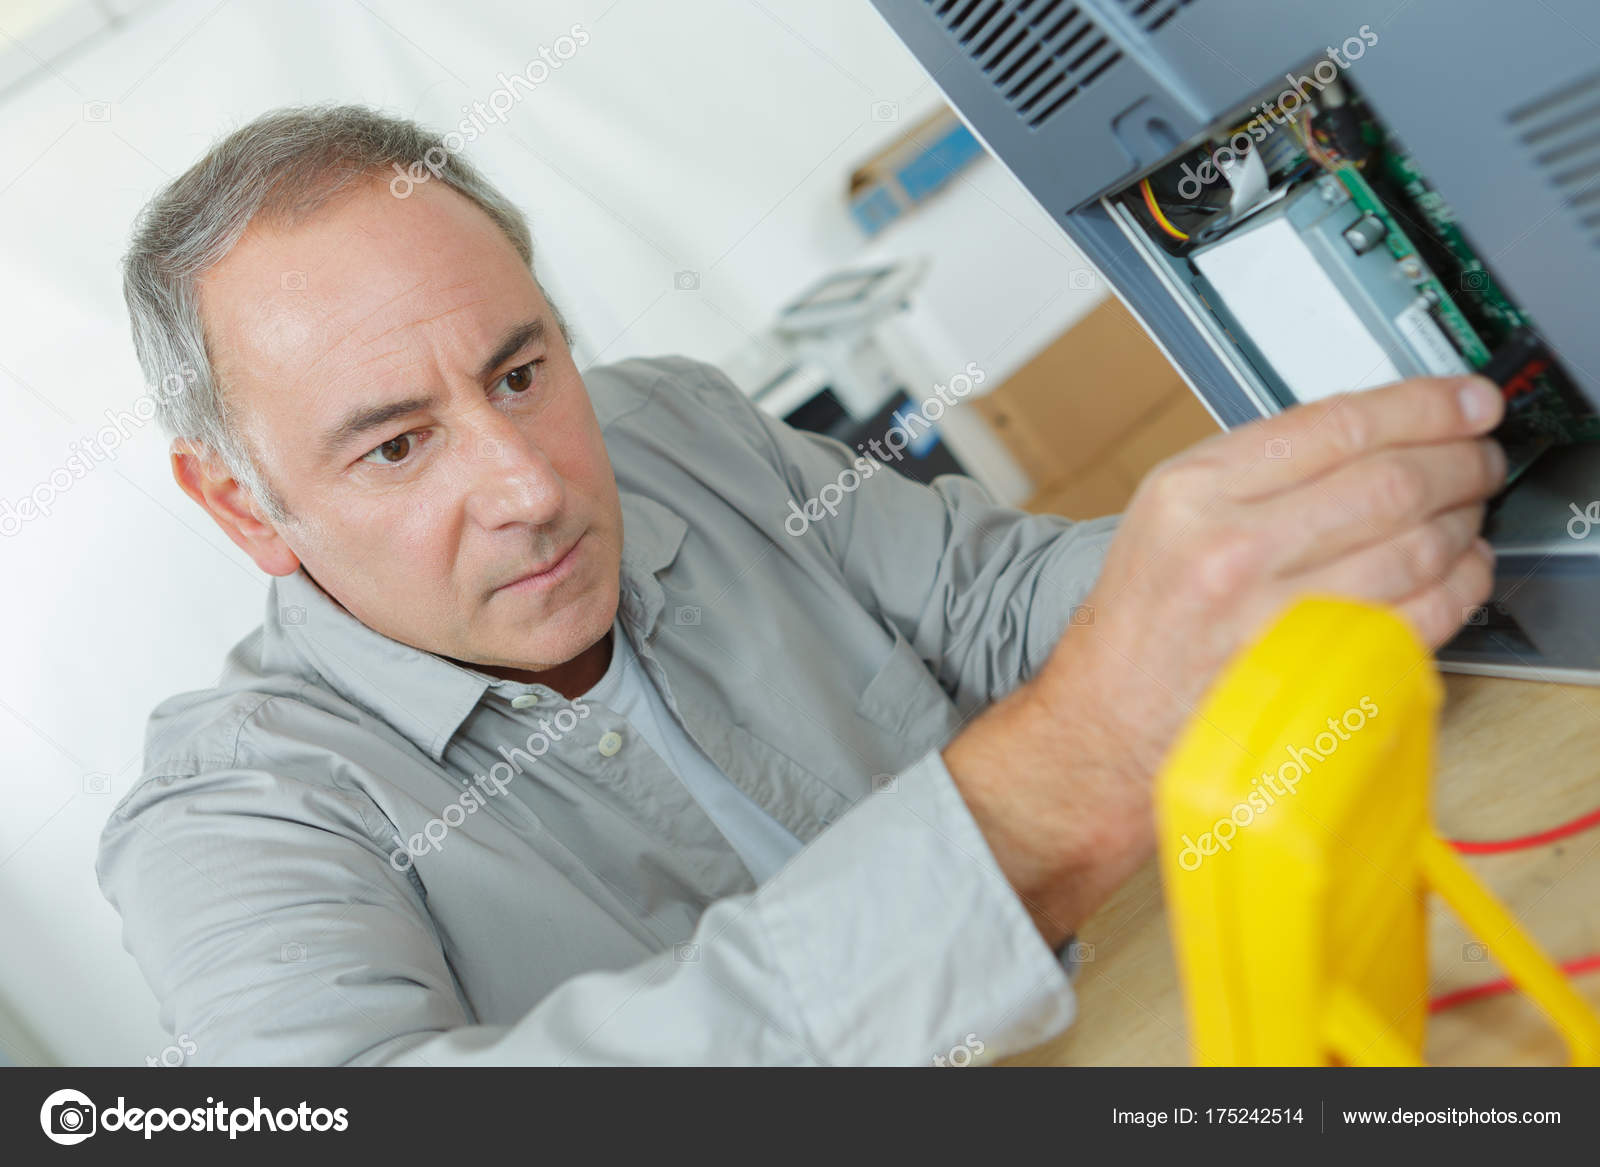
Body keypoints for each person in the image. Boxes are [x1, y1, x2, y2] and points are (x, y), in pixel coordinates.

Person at [97, 105, 1506, 1065]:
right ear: (241, 506)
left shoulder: (669, 428)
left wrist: (1246, 561)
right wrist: (1045, 793)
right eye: (399, 446)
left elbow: (1000, 598)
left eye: (522, 373)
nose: (528, 482)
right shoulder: (226, 824)